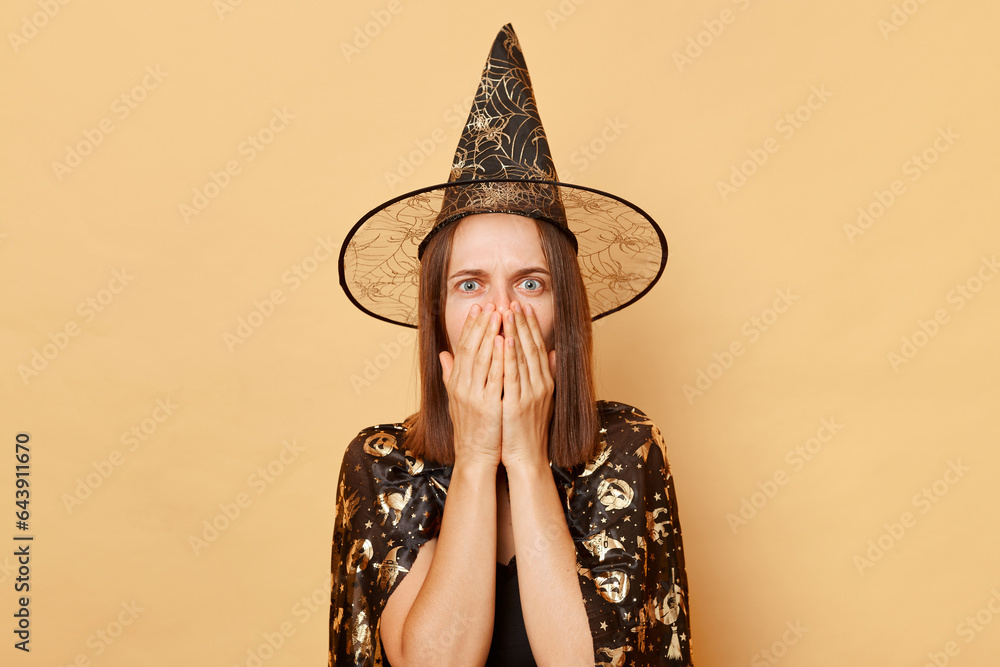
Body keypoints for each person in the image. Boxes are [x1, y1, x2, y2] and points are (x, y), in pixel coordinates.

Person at [331, 24, 693, 667]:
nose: (501, 312)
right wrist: (475, 455)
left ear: (568, 314)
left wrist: (524, 456)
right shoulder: (380, 465)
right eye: (470, 284)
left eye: (531, 282)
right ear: (437, 317)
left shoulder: (630, 449)